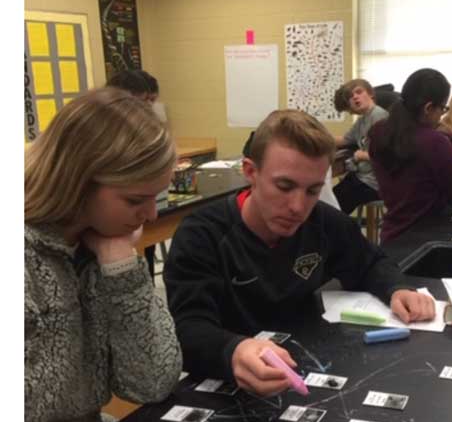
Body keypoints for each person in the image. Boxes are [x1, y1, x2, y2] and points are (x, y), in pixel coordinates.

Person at [164, 108, 435, 395]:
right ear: (251, 173)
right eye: (284, 186)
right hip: (230, 382)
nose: (297, 207)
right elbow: (187, 328)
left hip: (305, 367)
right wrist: (234, 350)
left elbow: (368, 263)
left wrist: (397, 289)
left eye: (312, 191)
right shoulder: (202, 235)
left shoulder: (324, 223)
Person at [25, 87, 181, 422]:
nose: (150, 215)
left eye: (156, 197)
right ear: (75, 183)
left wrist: (119, 265)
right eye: (135, 200)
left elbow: (154, 381)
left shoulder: (94, 246)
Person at [370, 69, 452, 242]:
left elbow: (416, 180)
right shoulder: (434, 141)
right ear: (428, 108)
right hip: (426, 240)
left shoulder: (379, 132)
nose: (441, 116)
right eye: (442, 109)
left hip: (392, 236)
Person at [332, 77, 388, 215]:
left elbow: (388, 155)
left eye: (358, 92)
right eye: (351, 97)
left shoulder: (379, 116)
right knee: (330, 201)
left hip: (374, 183)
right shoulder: (362, 120)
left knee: (333, 208)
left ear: (370, 94)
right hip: (361, 177)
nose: (355, 97)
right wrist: (315, 136)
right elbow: (345, 139)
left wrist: (361, 155)